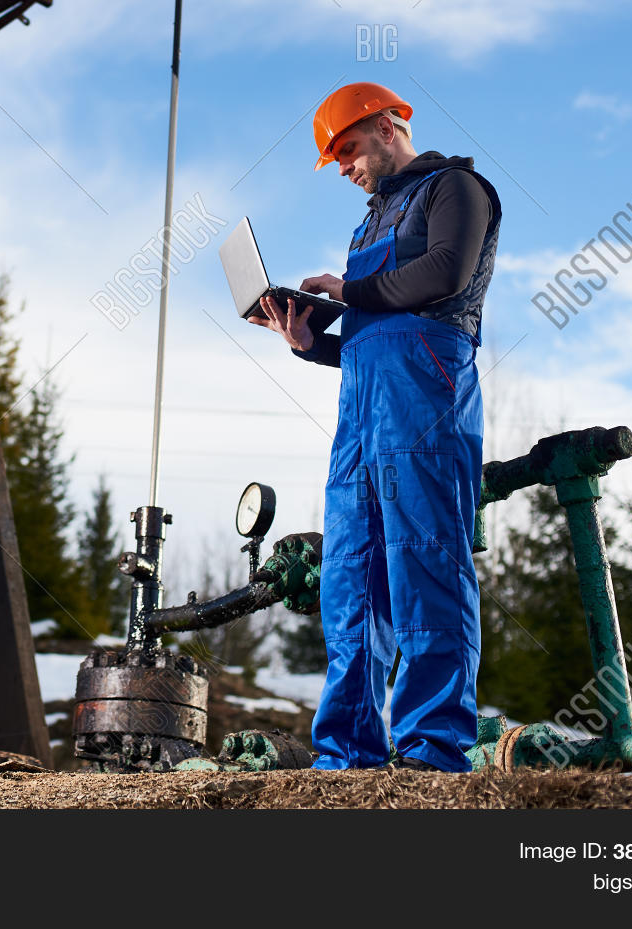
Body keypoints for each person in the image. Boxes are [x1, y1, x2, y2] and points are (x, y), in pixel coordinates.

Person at [250, 82, 501, 772]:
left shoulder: (457, 190)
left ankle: (431, 745)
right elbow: (365, 333)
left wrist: (347, 290)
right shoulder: (371, 219)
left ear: (387, 128)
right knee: (351, 576)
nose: (346, 169)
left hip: (425, 395)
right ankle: (348, 751)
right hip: (362, 412)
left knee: (427, 564)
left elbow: (444, 276)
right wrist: (311, 341)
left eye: (349, 151)